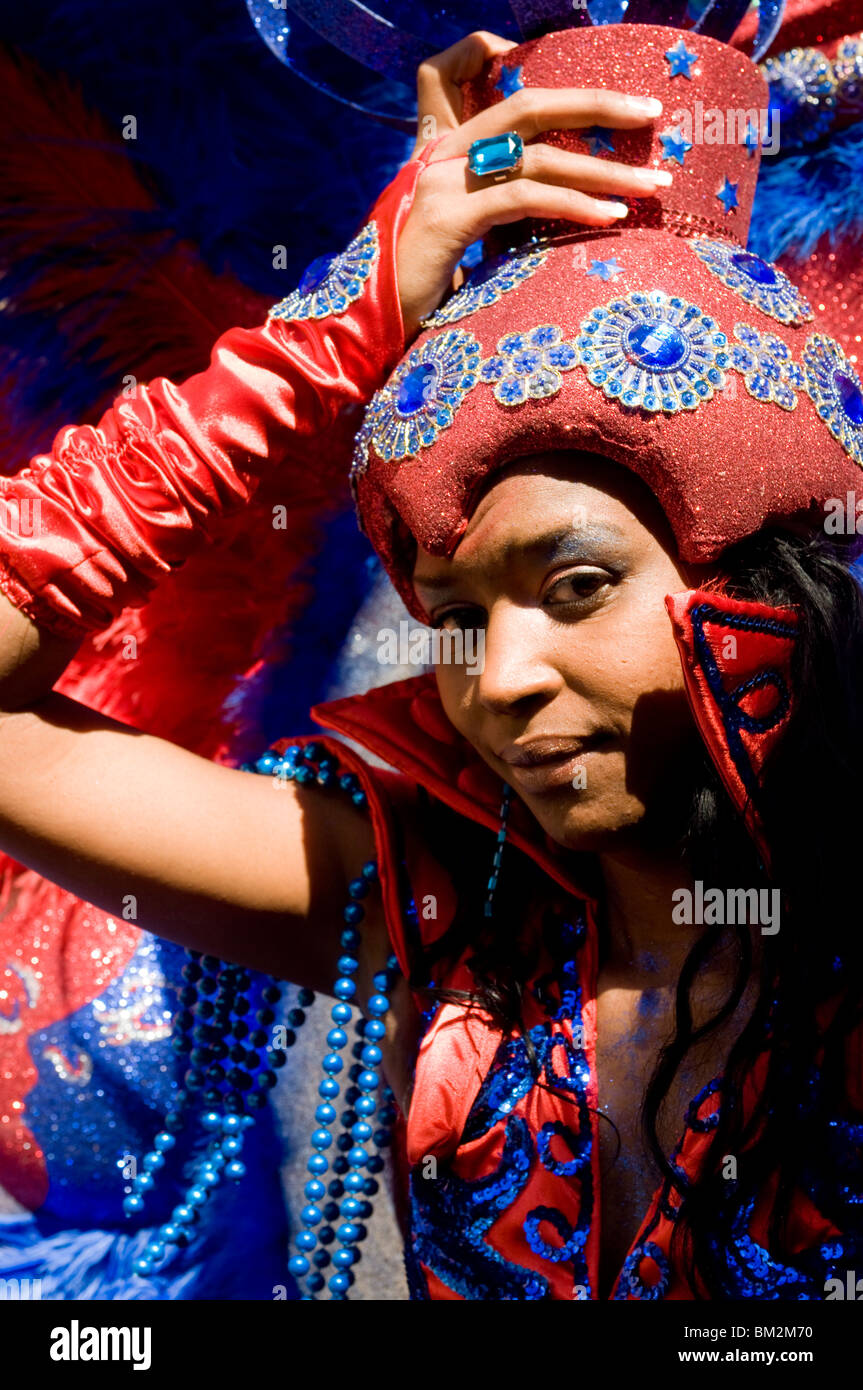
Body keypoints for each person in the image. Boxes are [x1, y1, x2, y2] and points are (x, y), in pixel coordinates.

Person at [0, 21, 861, 1302]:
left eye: (576, 585)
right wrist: (332, 332)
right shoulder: (438, 898)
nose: (498, 678)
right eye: (454, 616)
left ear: (756, 583)